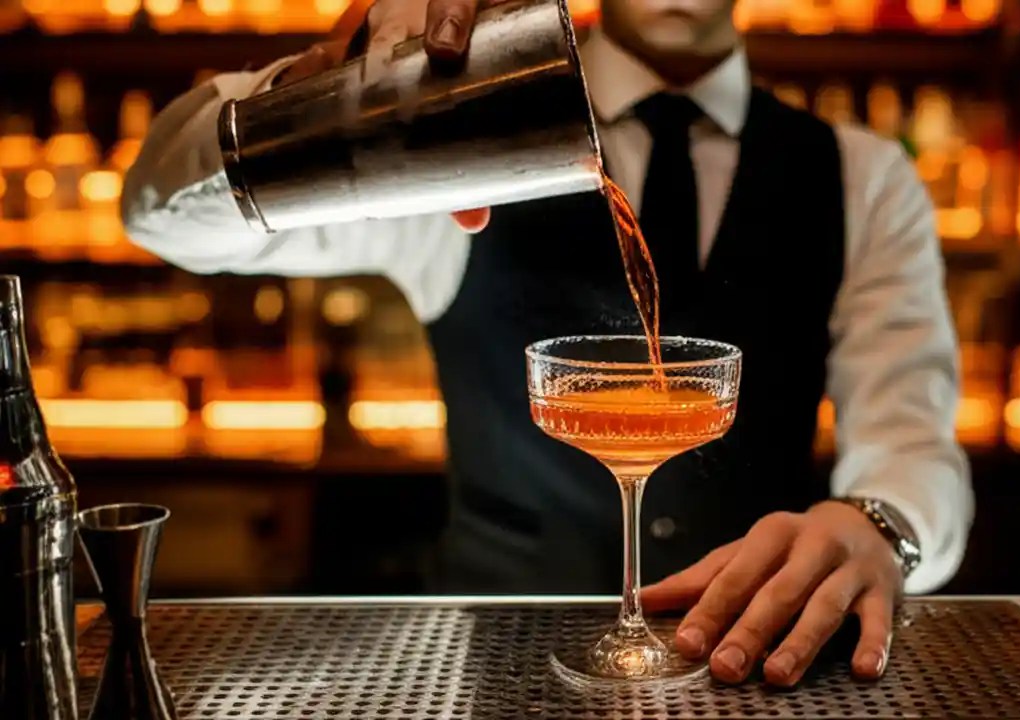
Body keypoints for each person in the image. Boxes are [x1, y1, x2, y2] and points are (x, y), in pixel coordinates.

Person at [121, 0, 973, 688]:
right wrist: (329, 89)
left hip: (749, 676)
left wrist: (877, 525)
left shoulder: (861, 174)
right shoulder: (454, 135)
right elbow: (158, 213)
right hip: (494, 672)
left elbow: (913, 439)